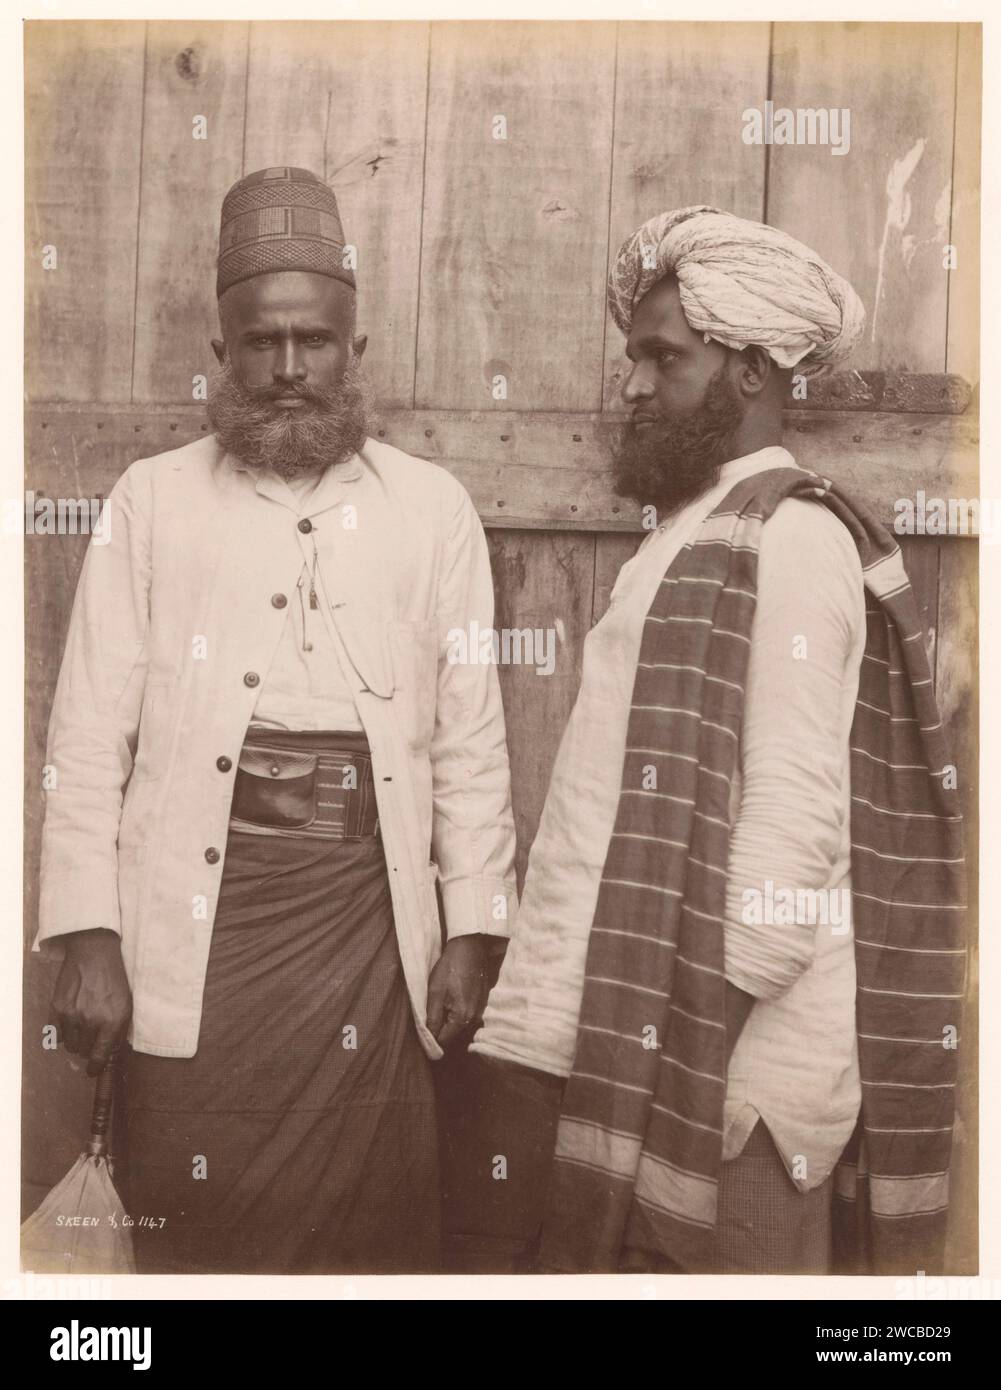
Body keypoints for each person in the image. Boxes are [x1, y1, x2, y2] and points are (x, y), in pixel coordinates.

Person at [35, 166, 518, 1274]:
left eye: (314, 342)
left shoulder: (431, 509)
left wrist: (476, 928)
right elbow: (86, 736)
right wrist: (89, 937)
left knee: (372, 1238)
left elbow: (469, 741)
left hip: (365, 934)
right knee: (195, 1232)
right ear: (220, 349)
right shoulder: (150, 501)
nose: (288, 369)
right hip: (202, 933)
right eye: (261, 342)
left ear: (357, 349)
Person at [469, 206, 965, 1276]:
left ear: (751, 372)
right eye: (633, 357)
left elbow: (787, 848)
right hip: (626, 1057)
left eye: (665, 357)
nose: (635, 384)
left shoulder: (789, 543)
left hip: (718, 1101)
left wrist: (667, 1058)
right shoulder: (694, 535)